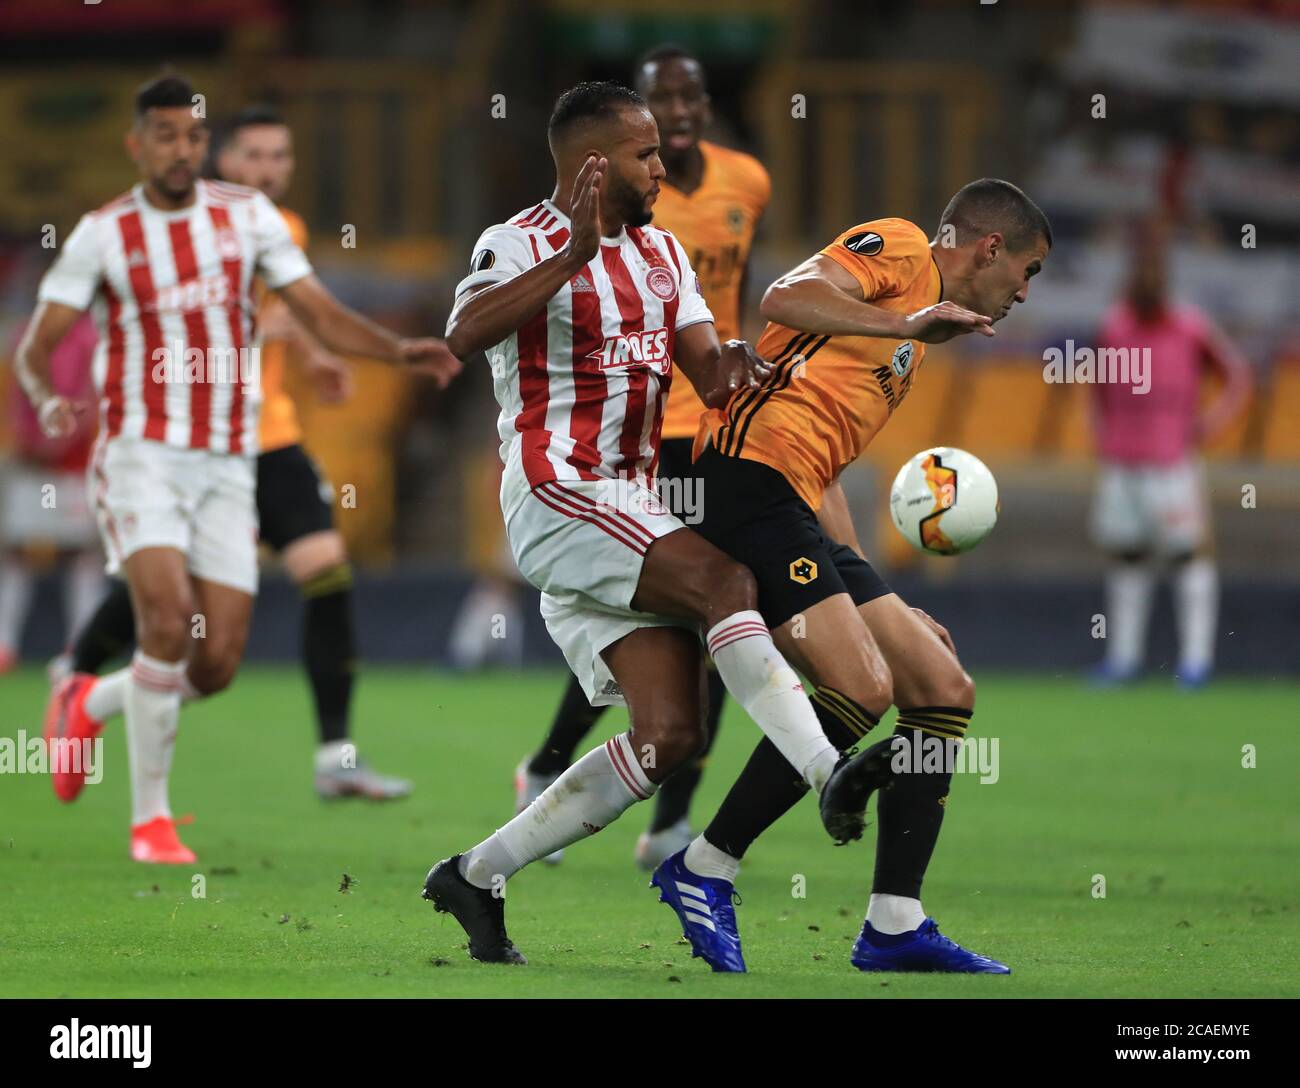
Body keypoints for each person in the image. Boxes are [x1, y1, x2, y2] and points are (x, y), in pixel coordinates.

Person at [422, 81, 883, 964]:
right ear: (594, 163)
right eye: (644, 154)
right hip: (558, 488)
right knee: (727, 583)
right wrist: (571, 259)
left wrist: (749, 371)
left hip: (627, 500)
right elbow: (462, 333)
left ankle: (475, 876)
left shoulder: (666, 256)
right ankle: (828, 771)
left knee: (671, 735)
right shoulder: (516, 240)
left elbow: (710, 374)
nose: (662, 166)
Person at [18, 72, 459, 863]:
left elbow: (314, 307)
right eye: (166, 135)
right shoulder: (102, 233)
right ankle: (150, 820)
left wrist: (396, 351)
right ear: (137, 145)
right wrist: (49, 399)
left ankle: (87, 696)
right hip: (141, 455)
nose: (180, 149)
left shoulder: (249, 219)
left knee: (215, 661)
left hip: (230, 460)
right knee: (163, 615)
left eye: (191, 134)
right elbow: (36, 349)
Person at [651, 178, 1052, 974]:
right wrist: (905, 319)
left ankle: (895, 924)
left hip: (795, 500)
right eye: (1029, 270)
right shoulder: (901, 250)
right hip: (742, 480)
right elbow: (785, 294)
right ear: (989, 248)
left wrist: (879, 594)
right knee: (861, 689)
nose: (1025, 291)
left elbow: (825, 469)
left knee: (941, 687)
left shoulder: (912, 341)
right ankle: (704, 867)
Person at [516, 44, 773, 870]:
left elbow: (734, 295)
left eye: (692, 97)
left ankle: (673, 818)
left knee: (710, 618)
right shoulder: (618, 195)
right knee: (651, 601)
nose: (682, 112)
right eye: (664, 100)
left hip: (711, 421)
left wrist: (742, 363)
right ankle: (550, 763)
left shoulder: (747, 183)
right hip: (633, 428)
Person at [1090, 222, 1250, 688]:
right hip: (1122, 463)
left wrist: (1210, 424)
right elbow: (1098, 389)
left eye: (1153, 273)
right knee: (1127, 557)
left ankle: (1196, 662)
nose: (1146, 281)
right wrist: (1103, 432)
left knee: (1188, 556)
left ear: (1165, 279)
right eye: (1140, 272)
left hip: (1172, 463)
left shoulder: (1190, 326)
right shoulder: (1114, 327)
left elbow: (1236, 377)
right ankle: (1123, 660)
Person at [0, 315, 103, 673]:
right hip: (33, 467)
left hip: (74, 468)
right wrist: (29, 441)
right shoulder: (26, 331)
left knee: (83, 554)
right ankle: (5, 644)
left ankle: (80, 647)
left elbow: (92, 399)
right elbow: (16, 394)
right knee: (17, 552)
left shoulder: (90, 336)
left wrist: (61, 440)